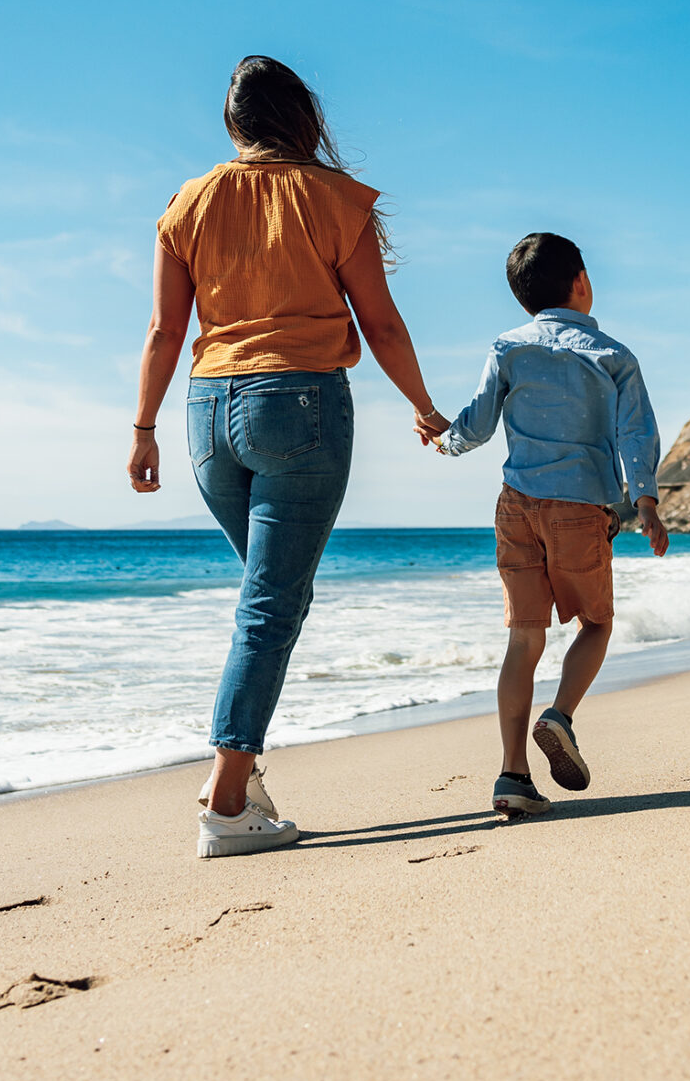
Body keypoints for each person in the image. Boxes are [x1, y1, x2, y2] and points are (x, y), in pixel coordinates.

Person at [128, 56, 450, 857]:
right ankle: (227, 799)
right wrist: (423, 404)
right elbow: (380, 325)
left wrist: (144, 427)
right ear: (301, 117)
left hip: (206, 413)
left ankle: (240, 780)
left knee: (275, 598)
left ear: (234, 123)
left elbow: (166, 331)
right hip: (298, 405)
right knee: (272, 604)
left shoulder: (187, 202)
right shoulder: (335, 200)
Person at [432, 232, 668, 818]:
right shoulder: (613, 355)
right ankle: (559, 715)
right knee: (597, 622)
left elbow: (478, 426)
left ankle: (512, 774)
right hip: (580, 509)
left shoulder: (507, 348)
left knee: (524, 638)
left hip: (515, 506)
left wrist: (444, 440)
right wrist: (646, 504)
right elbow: (636, 435)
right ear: (581, 281)